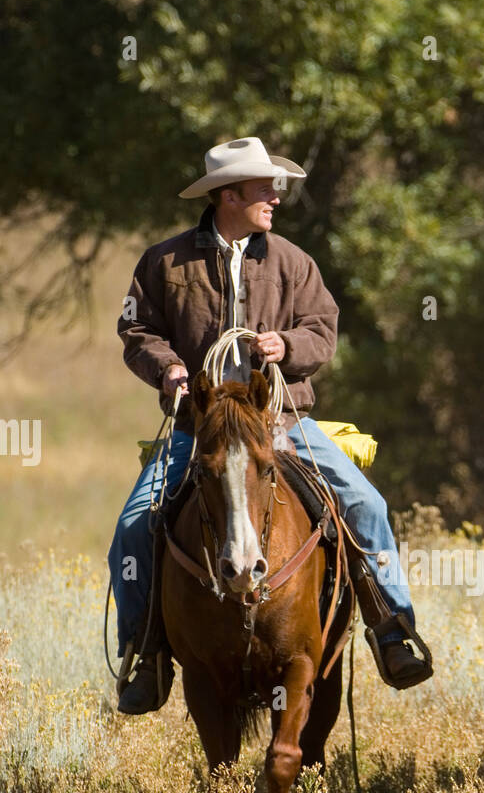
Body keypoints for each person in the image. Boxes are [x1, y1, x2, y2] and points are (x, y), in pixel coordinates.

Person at [109, 137, 432, 713]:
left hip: (281, 423)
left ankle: (391, 629)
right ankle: (147, 651)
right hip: (198, 428)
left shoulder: (292, 261)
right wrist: (171, 370)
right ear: (228, 195)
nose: (275, 198)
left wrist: (288, 344)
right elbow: (137, 332)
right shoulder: (164, 262)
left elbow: (323, 330)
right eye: (264, 188)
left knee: (366, 507)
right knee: (134, 528)